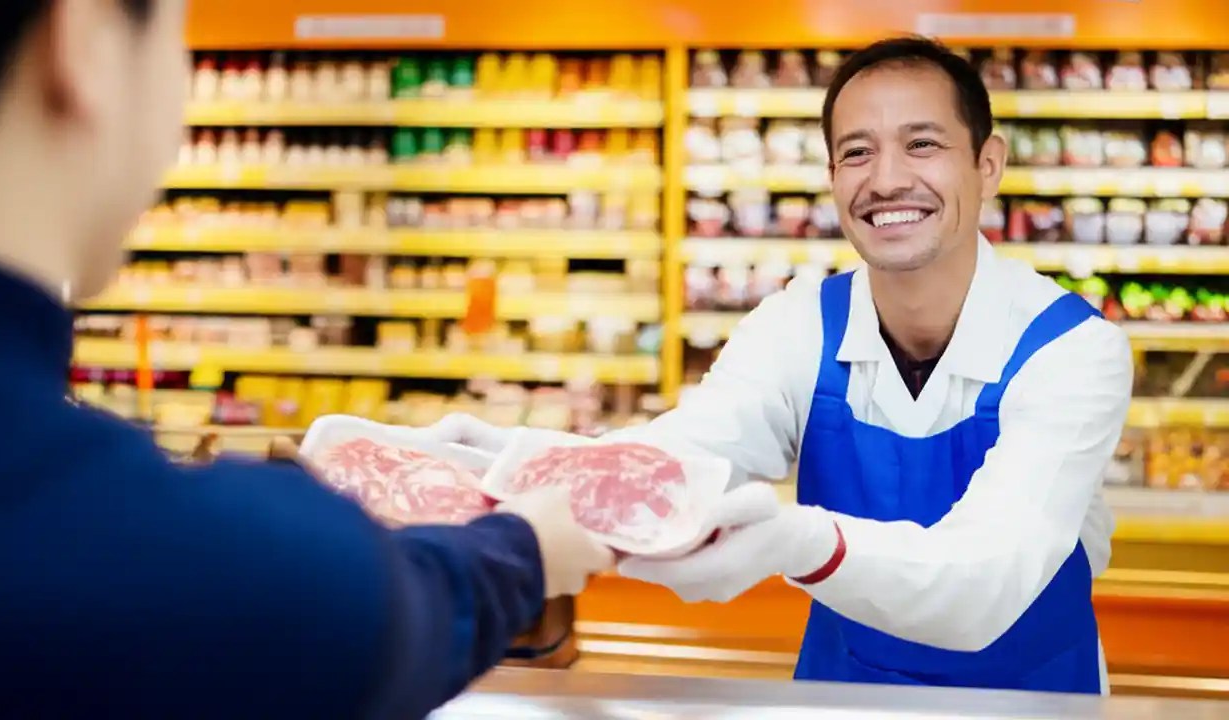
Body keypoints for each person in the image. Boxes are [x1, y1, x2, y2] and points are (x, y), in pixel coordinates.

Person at [0, 3, 612, 718]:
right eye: (180, 39)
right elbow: (344, 604)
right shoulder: (231, 570)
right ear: (87, 41)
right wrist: (524, 550)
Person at [424, 37, 1133, 695]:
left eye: (922, 144)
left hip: (1033, 702)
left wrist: (798, 541)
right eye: (856, 153)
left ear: (987, 164)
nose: (886, 179)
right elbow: (686, 453)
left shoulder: (1071, 350)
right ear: (830, 175)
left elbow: (986, 585)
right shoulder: (799, 323)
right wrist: (519, 465)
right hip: (839, 694)